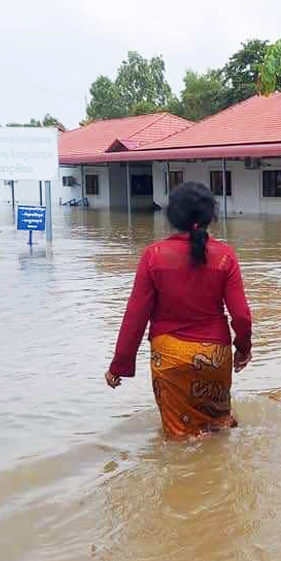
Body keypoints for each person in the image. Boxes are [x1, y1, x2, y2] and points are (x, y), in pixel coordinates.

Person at [104, 182, 253, 439]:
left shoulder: (154, 256)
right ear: (210, 216)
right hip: (215, 356)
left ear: (172, 216)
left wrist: (119, 365)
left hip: (169, 357)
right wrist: (243, 349)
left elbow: (135, 318)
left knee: (179, 441)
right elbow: (240, 315)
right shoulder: (225, 257)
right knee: (218, 428)